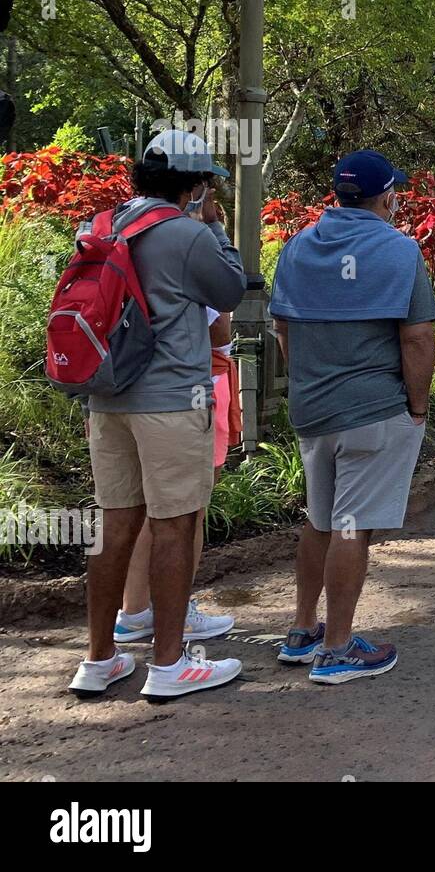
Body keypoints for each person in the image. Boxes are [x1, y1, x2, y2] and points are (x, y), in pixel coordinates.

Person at [69, 130, 246, 700]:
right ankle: (168, 665)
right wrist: (214, 223)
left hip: (107, 396)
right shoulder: (187, 233)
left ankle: (99, 660)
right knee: (175, 523)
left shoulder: (104, 224)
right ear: (195, 186)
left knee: (115, 523)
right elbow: (233, 288)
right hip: (171, 399)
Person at [271, 150, 435, 684]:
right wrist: (418, 407)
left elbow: (284, 328)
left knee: (320, 519)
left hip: (312, 409)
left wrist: (307, 384)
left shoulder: (296, 247)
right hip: (372, 410)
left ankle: (302, 632)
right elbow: (417, 339)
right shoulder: (401, 251)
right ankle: (338, 648)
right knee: (351, 525)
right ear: (386, 196)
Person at [113, 304, 240, 648]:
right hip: (191, 385)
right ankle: (178, 614)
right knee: (189, 510)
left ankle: (134, 611)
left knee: (142, 508)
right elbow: (219, 330)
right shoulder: (192, 251)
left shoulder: (121, 248)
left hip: (126, 387)